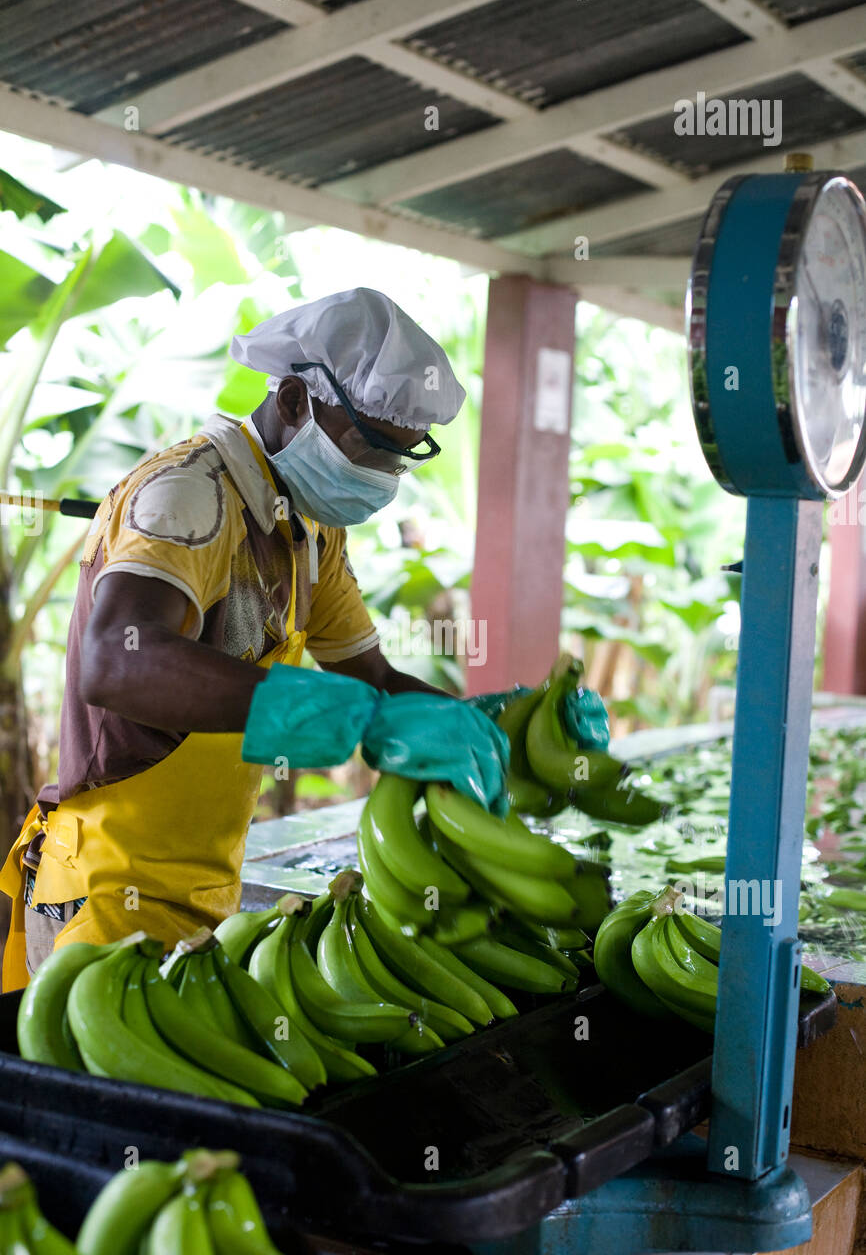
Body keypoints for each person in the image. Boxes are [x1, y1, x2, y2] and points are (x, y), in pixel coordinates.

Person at [0, 287, 599, 990]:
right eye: (370, 447)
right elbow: (115, 662)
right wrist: (331, 713)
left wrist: (497, 722)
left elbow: (370, 678)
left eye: (399, 459)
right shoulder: (190, 494)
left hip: (204, 892)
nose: (381, 477)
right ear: (292, 401)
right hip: (103, 894)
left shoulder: (311, 528)